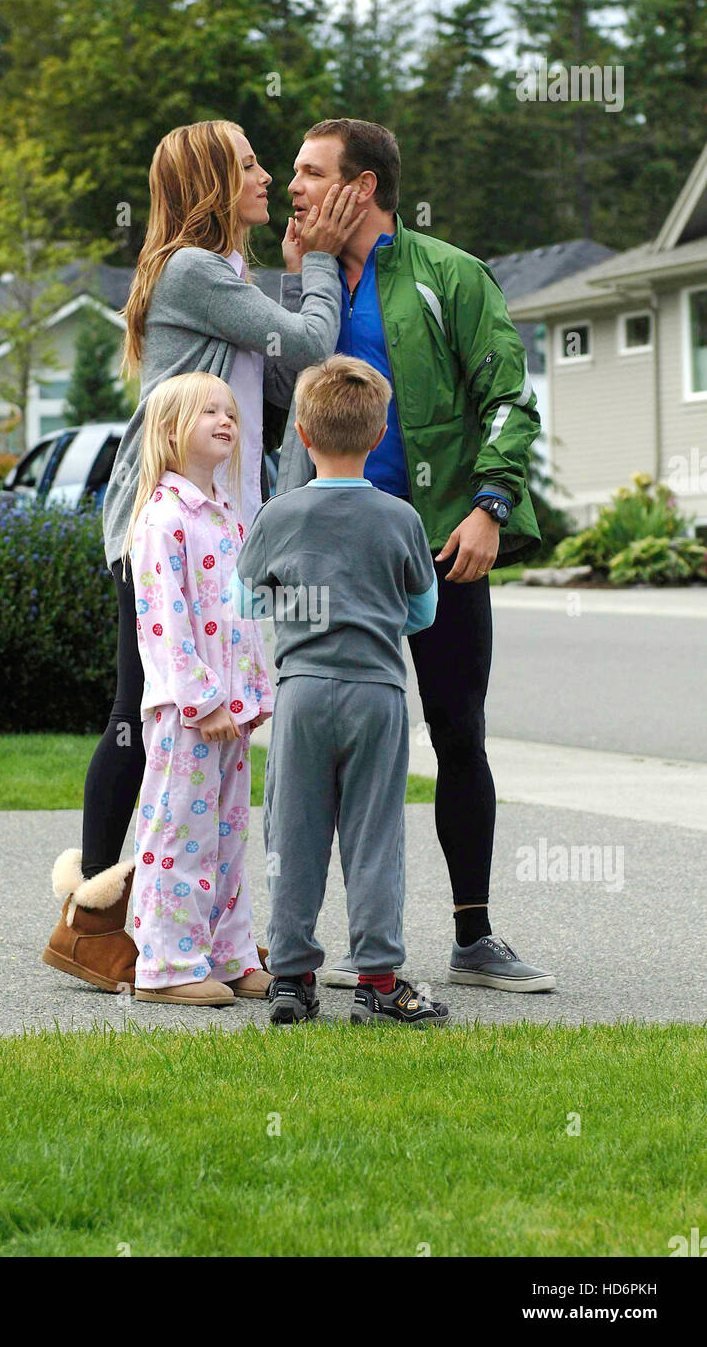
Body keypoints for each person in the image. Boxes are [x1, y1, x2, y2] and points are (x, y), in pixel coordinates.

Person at [43, 120, 365, 994]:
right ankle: (95, 924)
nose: (269, 178)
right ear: (216, 183)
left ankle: (198, 930)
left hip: (228, 530)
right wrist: (318, 266)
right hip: (166, 521)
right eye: (252, 164)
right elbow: (308, 349)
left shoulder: (225, 276)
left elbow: (275, 393)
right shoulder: (192, 272)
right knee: (139, 714)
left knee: (203, 735)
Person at [277, 119, 556, 993]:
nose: (292, 187)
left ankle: (472, 939)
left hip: (438, 547)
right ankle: (301, 954)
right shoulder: (302, 289)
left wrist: (488, 507)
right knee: (312, 743)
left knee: (457, 733)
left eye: (310, 173)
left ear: (360, 188)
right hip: (325, 562)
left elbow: (509, 398)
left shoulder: (449, 274)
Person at [233, 355, 449, 1026]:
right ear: (379, 434)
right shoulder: (400, 519)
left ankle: (292, 980)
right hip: (376, 696)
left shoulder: (276, 515)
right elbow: (422, 613)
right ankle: (379, 982)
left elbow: (244, 600)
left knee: (290, 836)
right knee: (373, 838)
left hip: (300, 695)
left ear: (301, 432)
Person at [126, 371, 272, 1006]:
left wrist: (253, 690)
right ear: (169, 430)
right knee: (178, 833)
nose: (226, 420)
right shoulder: (164, 518)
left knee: (227, 834)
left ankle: (228, 954)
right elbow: (166, 620)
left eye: (230, 412)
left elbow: (242, 613)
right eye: (208, 411)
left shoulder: (229, 514)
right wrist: (202, 699)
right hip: (188, 715)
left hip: (230, 713)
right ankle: (165, 964)